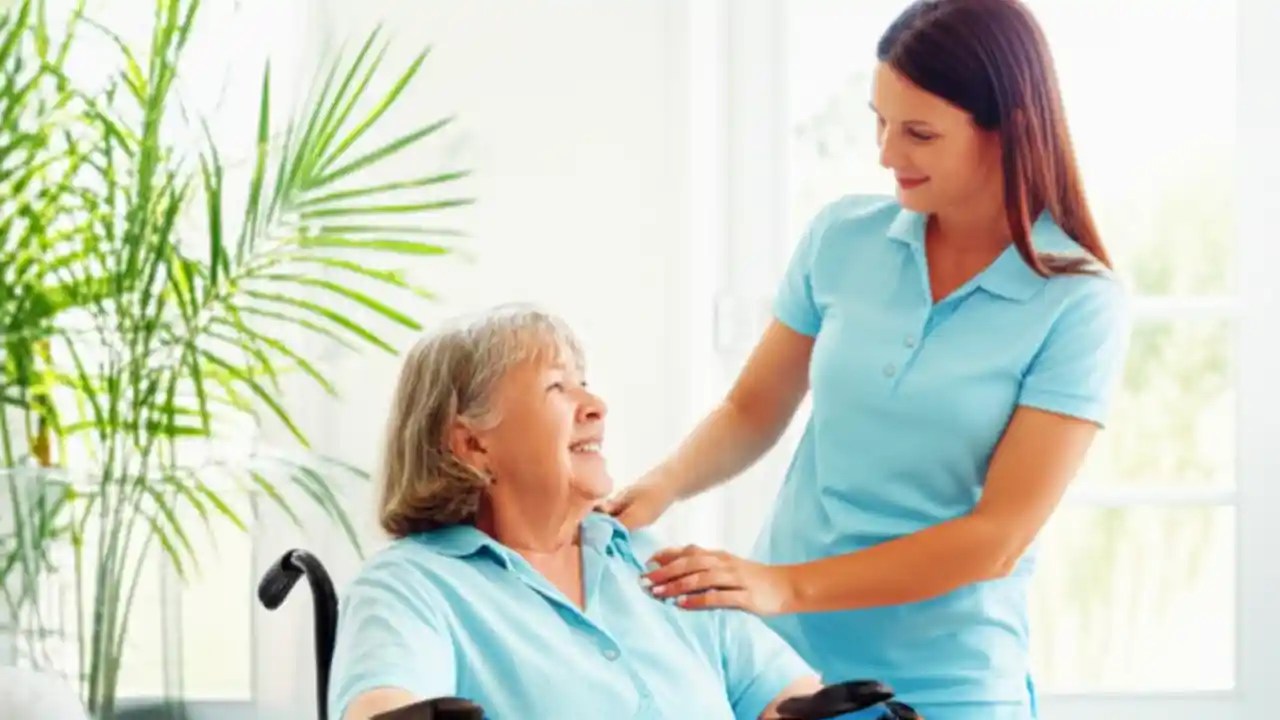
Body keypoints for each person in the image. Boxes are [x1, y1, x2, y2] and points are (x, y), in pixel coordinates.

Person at [601, 1, 1131, 718]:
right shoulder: (842, 238)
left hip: (950, 684)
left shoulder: (1076, 303)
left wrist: (782, 582)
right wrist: (663, 485)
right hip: (785, 670)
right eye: (878, 121)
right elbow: (753, 408)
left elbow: (995, 539)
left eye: (918, 133)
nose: (886, 153)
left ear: (1010, 129)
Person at [327, 305, 831, 720]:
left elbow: (788, 701)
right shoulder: (411, 586)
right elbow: (384, 703)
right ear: (473, 444)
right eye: (556, 388)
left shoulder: (658, 567)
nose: (595, 405)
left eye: (584, 383)